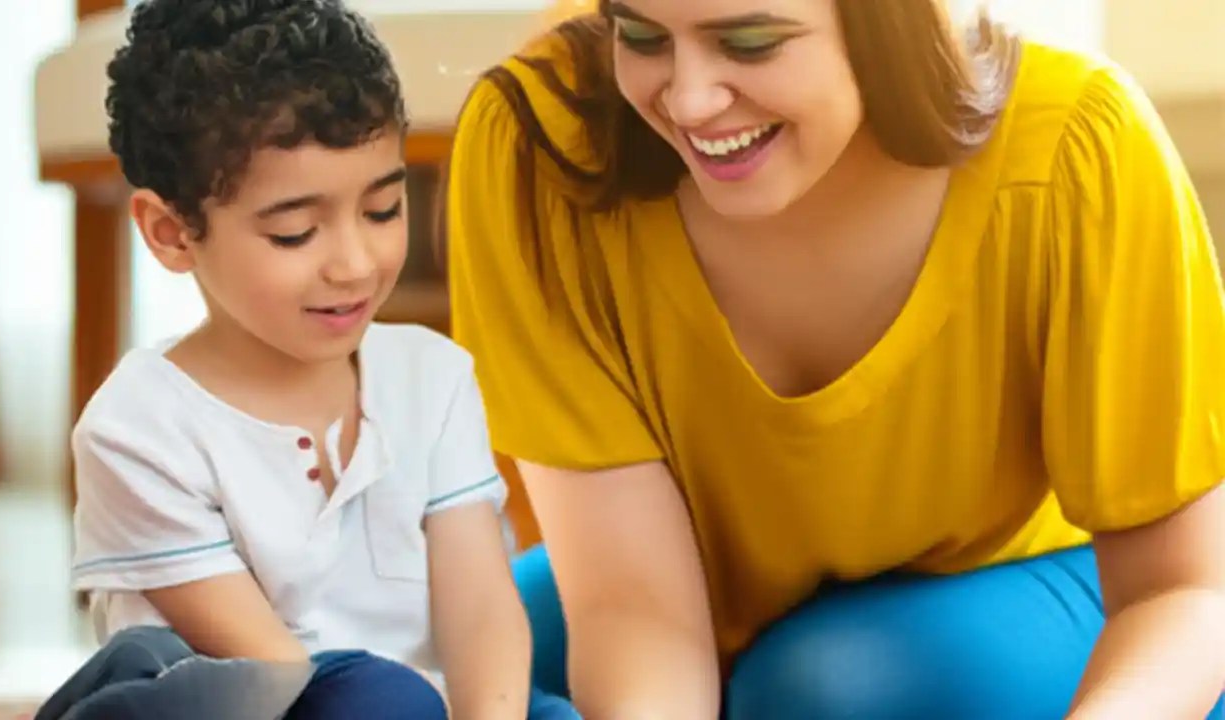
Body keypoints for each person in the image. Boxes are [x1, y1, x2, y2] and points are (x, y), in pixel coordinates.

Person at [445, 0, 1225, 717]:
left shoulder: (1076, 144)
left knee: (825, 690)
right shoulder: (539, 147)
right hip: (700, 578)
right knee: (440, 659)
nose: (688, 101)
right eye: (642, 36)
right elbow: (634, 610)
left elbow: (1187, 591)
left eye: (750, 44)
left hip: (1040, 575)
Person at [36, 1, 579, 718]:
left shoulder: (432, 376)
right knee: (383, 701)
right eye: (295, 233)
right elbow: (271, 671)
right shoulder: (137, 427)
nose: (355, 265)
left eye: (383, 210)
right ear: (171, 234)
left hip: (426, 704)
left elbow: (481, 608)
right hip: (273, 701)